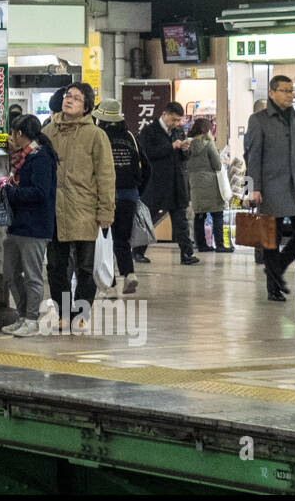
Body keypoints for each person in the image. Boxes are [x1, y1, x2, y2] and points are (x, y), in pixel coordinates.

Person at [42, 82, 115, 330]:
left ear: (86, 106)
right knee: (56, 266)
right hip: (54, 210)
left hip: (85, 209)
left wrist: (106, 210)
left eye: (75, 97)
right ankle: (63, 312)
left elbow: (105, 175)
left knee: (86, 266)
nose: (68, 100)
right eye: (67, 95)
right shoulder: (49, 132)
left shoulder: (96, 135)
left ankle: (81, 313)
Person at [243, 75, 295, 301]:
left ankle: (279, 266)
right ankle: (273, 287)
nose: (289, 94)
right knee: (271, 239)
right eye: (284, 90)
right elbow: (251, 156)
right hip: (270, 187)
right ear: (272, 93)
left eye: (291, 90)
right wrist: (252, 188)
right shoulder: (258, 120)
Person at [0, 113, 57, 337]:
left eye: (13, 133)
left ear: (20, 133)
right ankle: (22, 316)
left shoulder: (40, 158)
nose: (11, 137)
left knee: (32, 274)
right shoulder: (22, 156)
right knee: (11, 273)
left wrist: (10, 192)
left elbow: (41, 193)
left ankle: (32, 319)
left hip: (35, 225)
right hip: (17, 224)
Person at [95, 98, 149, 295]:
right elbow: (147, 168)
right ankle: (129, 274)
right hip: (129, 194)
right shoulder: (130, 137)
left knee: (104, 239)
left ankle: (109, 285)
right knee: (123, 239)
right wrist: (136, 191)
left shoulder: (99, 136)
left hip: (105, 194)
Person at [136, 102, 199, 266]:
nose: (177, 123)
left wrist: (185, 150)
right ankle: (138, 251)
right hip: (156, 182)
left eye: (179, 120)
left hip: (176, 182)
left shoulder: (178, 131)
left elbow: (184, 158)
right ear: (164, 114)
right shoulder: (149, 131)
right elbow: (147, 153)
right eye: (174, 120)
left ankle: (186, 253)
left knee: (181, 220)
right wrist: (171, 146)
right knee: (147, 217)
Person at [187, 117, 231, 254]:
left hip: (194, 183)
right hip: (211, 184)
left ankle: (201, 245)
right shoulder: (208, 144)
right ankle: (220, 245)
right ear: (207, 130)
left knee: (199, 216)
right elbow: (217, 165)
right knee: (217, 214)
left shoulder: (187, 145)